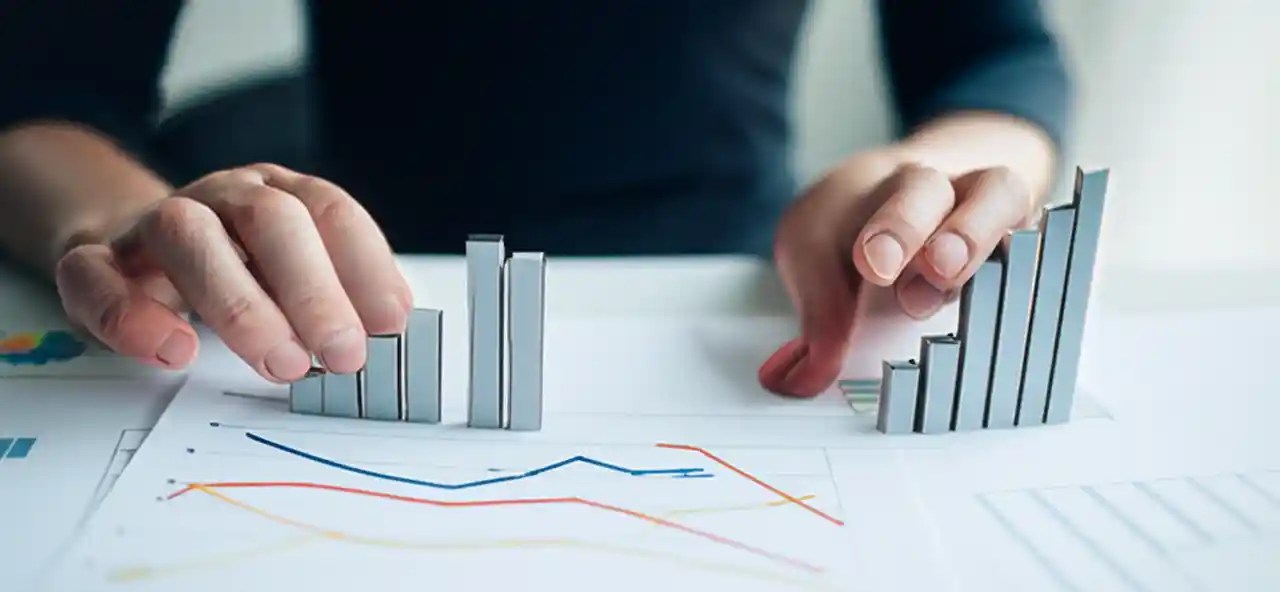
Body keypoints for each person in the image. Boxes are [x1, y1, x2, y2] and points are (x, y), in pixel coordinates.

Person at [0, 1, 1068, 398]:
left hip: (745, 287)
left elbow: (994, 57)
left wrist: (943, 174)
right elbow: (47, 89)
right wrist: (109, 219)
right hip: (340, 308)